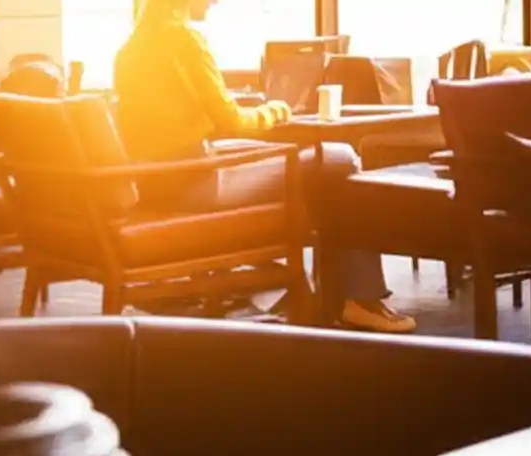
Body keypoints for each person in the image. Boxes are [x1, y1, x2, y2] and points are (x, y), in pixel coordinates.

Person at [113, 0, 415, 333]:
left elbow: (178, 120)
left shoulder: (130, 47)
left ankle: (327, 294)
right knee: (338, 158)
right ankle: (361, 298)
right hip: (197, 185)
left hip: (158, 184)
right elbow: (233, 123)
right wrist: (276, 110)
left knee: (314, 162)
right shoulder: (184, 38)